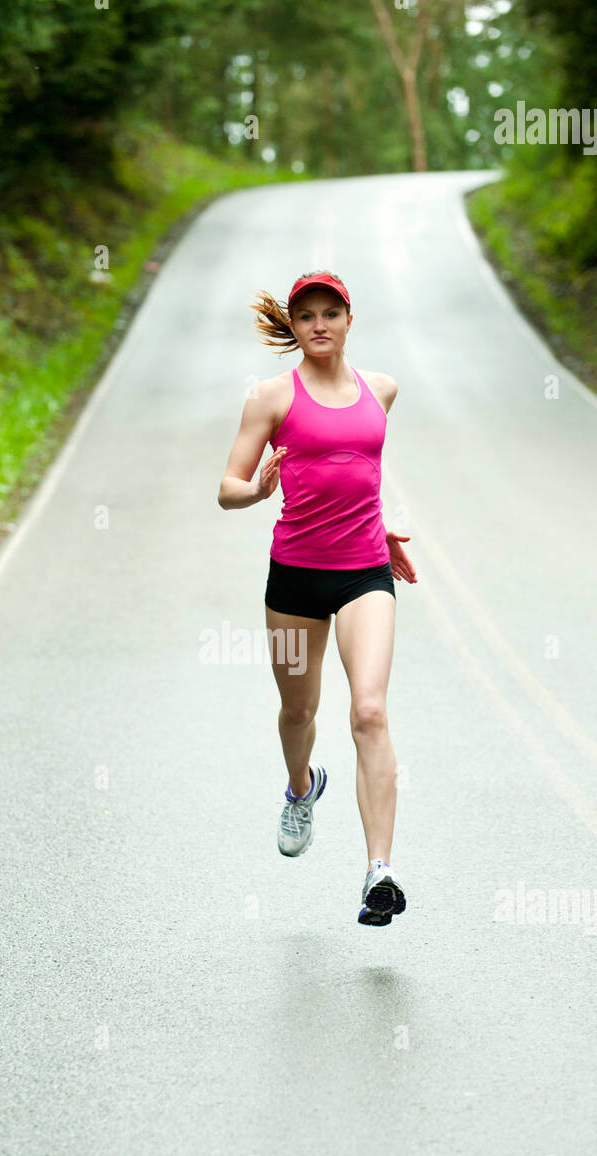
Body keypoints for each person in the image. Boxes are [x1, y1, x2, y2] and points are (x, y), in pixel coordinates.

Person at [217, 271, 417, 925]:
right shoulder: (270, 398)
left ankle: (377, 873)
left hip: (364, 573)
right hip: (295, 577)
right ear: (293, 327)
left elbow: (355, 472)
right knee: (298, 712)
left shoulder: (379, 390)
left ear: (349, 319)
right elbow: (228, 486)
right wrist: (260, 490)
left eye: (331, 312)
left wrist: (378, 527)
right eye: (306, 316)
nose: (319, 324)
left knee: (368, 713)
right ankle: (300, 790)